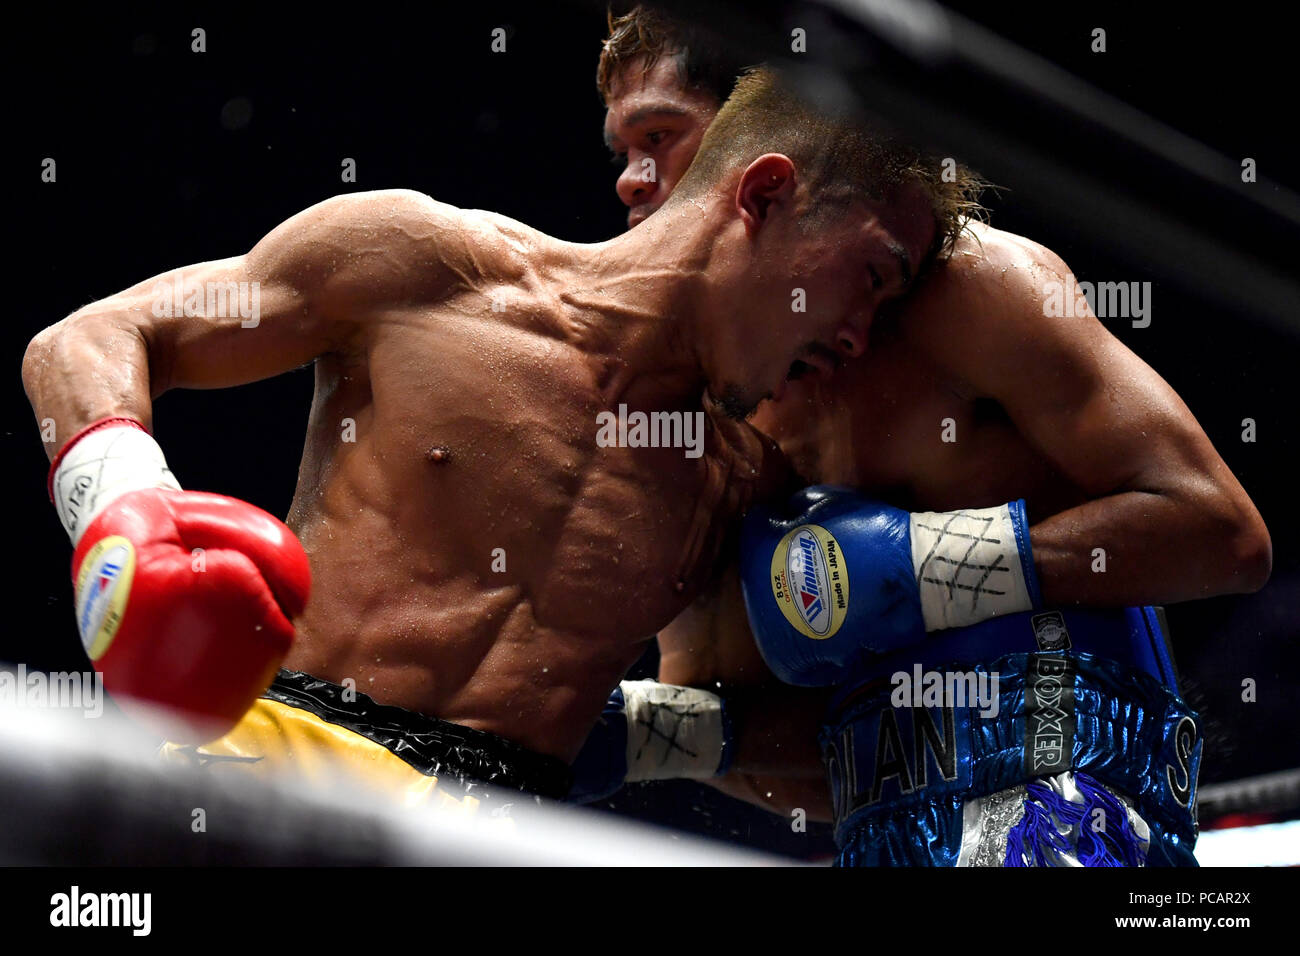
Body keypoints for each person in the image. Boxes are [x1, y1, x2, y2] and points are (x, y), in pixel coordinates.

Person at [22, 67, 949, 809]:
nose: (861, 335)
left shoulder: (740, 478)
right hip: (262, 776)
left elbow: (807, 765)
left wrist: (634, 731)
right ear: (766, 193)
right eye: (872, 275)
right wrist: (127, 517)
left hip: (503, 831)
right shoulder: (432, 269)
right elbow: (90, 340)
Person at [579, 5, 1271, 866]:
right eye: (621, 151)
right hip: (889, 836)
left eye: (659, 134)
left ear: (755, 132)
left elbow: (1224, 533)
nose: (630, 180)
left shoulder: (969, 291)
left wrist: (927, 570)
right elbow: (801, 759)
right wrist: (645, 731)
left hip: (1072, 798)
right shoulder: (704, 414)